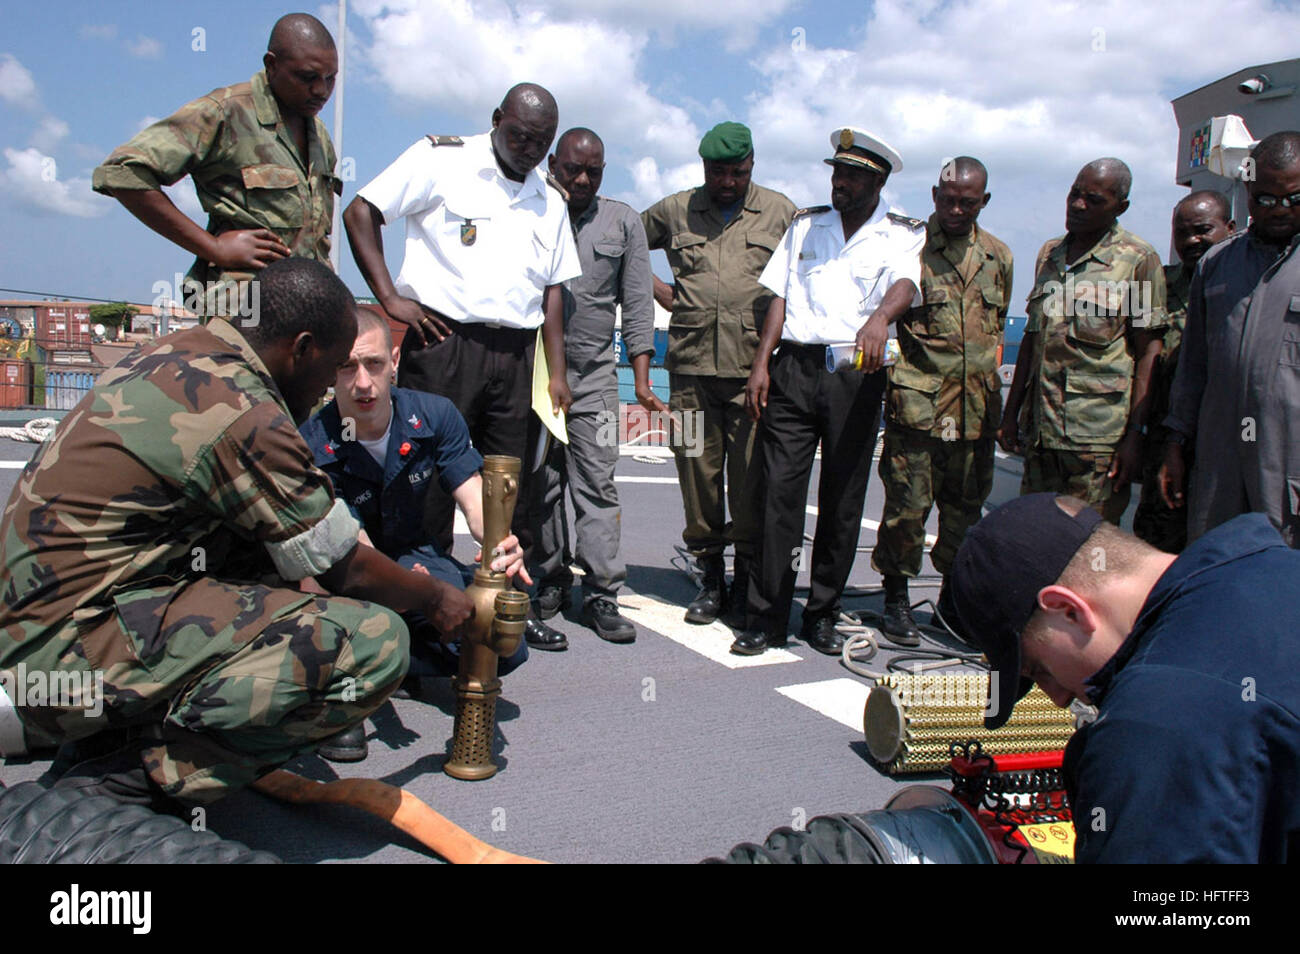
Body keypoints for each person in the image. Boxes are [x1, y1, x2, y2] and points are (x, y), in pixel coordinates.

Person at [0, 259, 523, 807]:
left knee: (264, 558)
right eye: (334, 369)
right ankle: (128, 777)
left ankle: (112, 722)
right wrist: (435, 598)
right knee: (375, 642)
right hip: (65, 652)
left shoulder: (184, 353)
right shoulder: (241, 409)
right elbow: (344, 567)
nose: (332, 388)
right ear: (302, 349)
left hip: (46, 626)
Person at [343, 82, 581, 651]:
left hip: (516, 353)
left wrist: (556, 370)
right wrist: (389, 298)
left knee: (508, 486)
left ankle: (507, 605)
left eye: (541, 142)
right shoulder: (441, 160)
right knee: (423, 482)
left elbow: (553, 291)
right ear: (496, 119)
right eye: (519, 135)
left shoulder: (550, 199)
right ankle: (418, 608)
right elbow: (361, 212)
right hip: (444, 342)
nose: (529, 149)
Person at [938, 493, 1300, 862]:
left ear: (1067, 609)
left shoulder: (1151, 730)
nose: (1058, 698)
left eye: (1040, 670)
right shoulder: (1273, 566)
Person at [300, 307, 529, 760]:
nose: (362, 383)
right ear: (329, 370)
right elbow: (355, 552)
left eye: (373, 364)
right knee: (329, 607)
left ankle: (396, 660)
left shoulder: (434, 415)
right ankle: (344, 685)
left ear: (395, 360)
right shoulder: (311, 443)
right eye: (346, 366)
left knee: (506, 646)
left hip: (412, 553)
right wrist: (415, 591)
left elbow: (473, 497)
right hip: (345, 570)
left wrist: (500, 542)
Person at [732, 128, 923, 656]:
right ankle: (766, 617)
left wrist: (880, 318)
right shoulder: (805, 225)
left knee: (842, 499)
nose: (839, 183)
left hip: (854, 375)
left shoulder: (901, 233)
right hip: (794, 368)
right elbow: (780, 296)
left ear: (877, 183)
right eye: (837, 173)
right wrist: (761, 363)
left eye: (851, 176)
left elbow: (906, 284)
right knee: (778, 495)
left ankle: (821, 613)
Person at [642, 122, 795, 626]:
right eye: (717, 172)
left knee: (750, 482)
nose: (727, 181)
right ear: (703, 167)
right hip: (689, 372)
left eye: (737, 172)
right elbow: (622, 239)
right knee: (696, 478)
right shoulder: (676, 210)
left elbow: (800, 279)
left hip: (752, 371)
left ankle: (746, 578)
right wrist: (660, 290)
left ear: (752, 165)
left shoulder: (781, 212)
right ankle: (709, 576)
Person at [92, 13, 341, 317]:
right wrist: (213, 248)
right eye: (308, 77)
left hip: (310, 307)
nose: (321, 90)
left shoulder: (319, 135)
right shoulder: (225, 112)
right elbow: (122, 173)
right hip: (246, 309)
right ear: (272, 65)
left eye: (330, 78)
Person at [870, 157, 1012, 646]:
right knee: (906, 511)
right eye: (948, 200)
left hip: (975, 413)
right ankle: (895, 600)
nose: (955, 210)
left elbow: (994, 329)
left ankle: (953, 601)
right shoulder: (909, 249)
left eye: (967, 203)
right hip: (920, 411)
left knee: (965, 515)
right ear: (934, 195)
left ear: (983, 202)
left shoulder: (998, 256)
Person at [530, 128, 657, 644]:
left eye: (594, 171)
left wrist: (641, 380)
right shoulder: (529, 210)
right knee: (540, 485)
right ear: (552, 163)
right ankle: (550, 578)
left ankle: (602, 593)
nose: (582, 180)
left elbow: (639, 304)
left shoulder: (623, 222)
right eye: (572, 169)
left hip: (596, 378)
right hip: (537, 375)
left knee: (597, 485)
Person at [998, 159, 1167, 524]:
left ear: (1120, 207)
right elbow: (1032, 337)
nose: (1077, 205)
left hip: (1096, 441)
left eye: (1093, 200)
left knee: (1087, 541)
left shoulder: (1138, 260)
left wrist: (1135, 435)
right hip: (1041, 435)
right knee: (1035, 533)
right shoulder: (1050, 254)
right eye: (1074, 194)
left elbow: (1149, 350)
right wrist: (1010, 415)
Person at [1161, 131, 1300, 547]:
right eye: (1266, 198)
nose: (1280, 209)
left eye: (1294, 198)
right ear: (1247, 193)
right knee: (1216, 562)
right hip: (1220, 464)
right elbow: (1193, 367)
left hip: (1287, 467)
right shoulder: (1216, 265)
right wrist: (1175, 443)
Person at [1131, 191, 1234, 553]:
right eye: (1182, 232)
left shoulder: (1245, 286)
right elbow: (1135, 355)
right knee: (1155, 545)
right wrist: (1134, 434)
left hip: (1222, 442)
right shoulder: (1155, 284)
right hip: (1163, 442)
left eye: (1203, 230)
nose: (1191, 241)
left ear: (1230, 228)